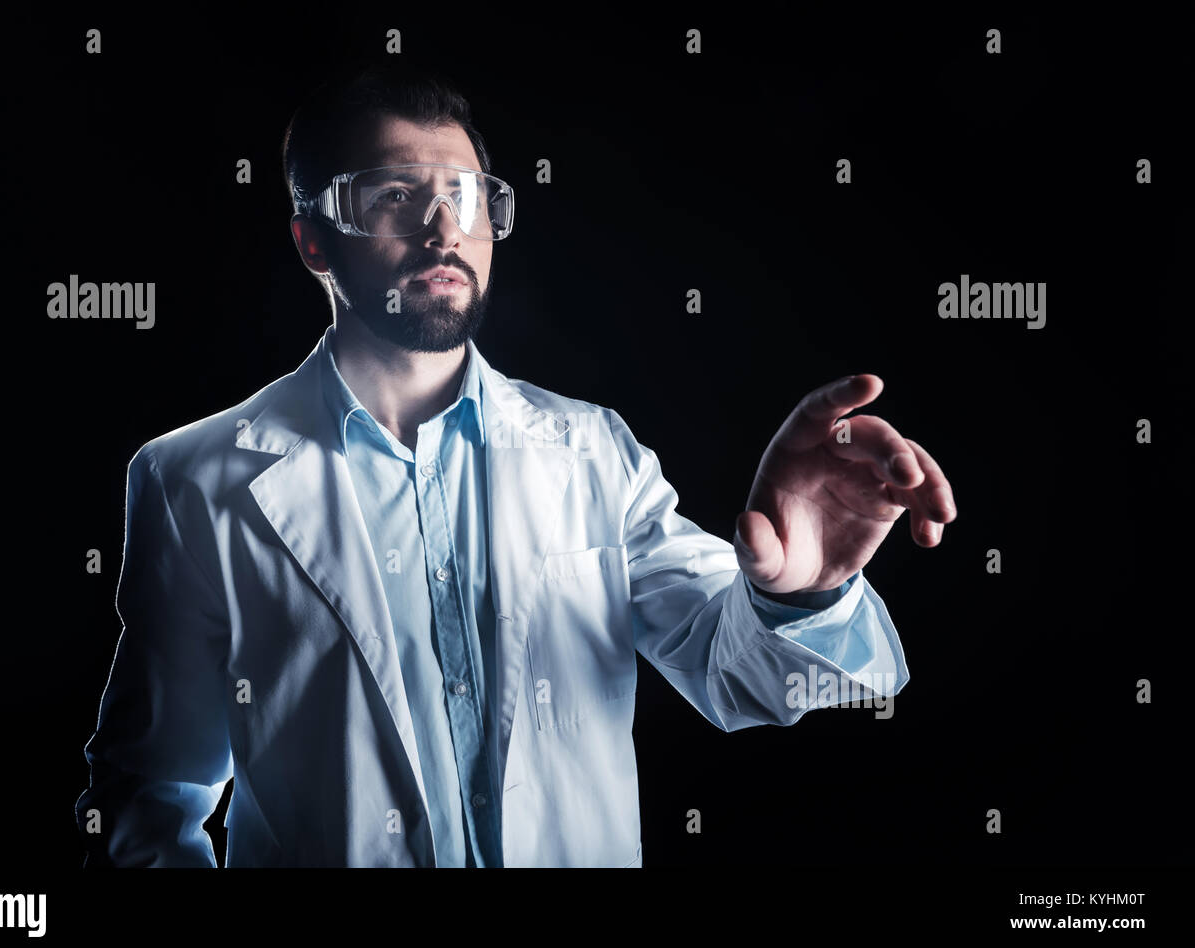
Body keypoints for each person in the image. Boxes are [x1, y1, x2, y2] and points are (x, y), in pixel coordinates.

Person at [74, 63, 956, 867]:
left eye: (464, 194)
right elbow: (151, 798)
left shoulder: (591, 452)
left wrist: (797, 592)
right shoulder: (193, 480)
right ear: (314, 240)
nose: (441, 226)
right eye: (392, 196)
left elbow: (736, 674)